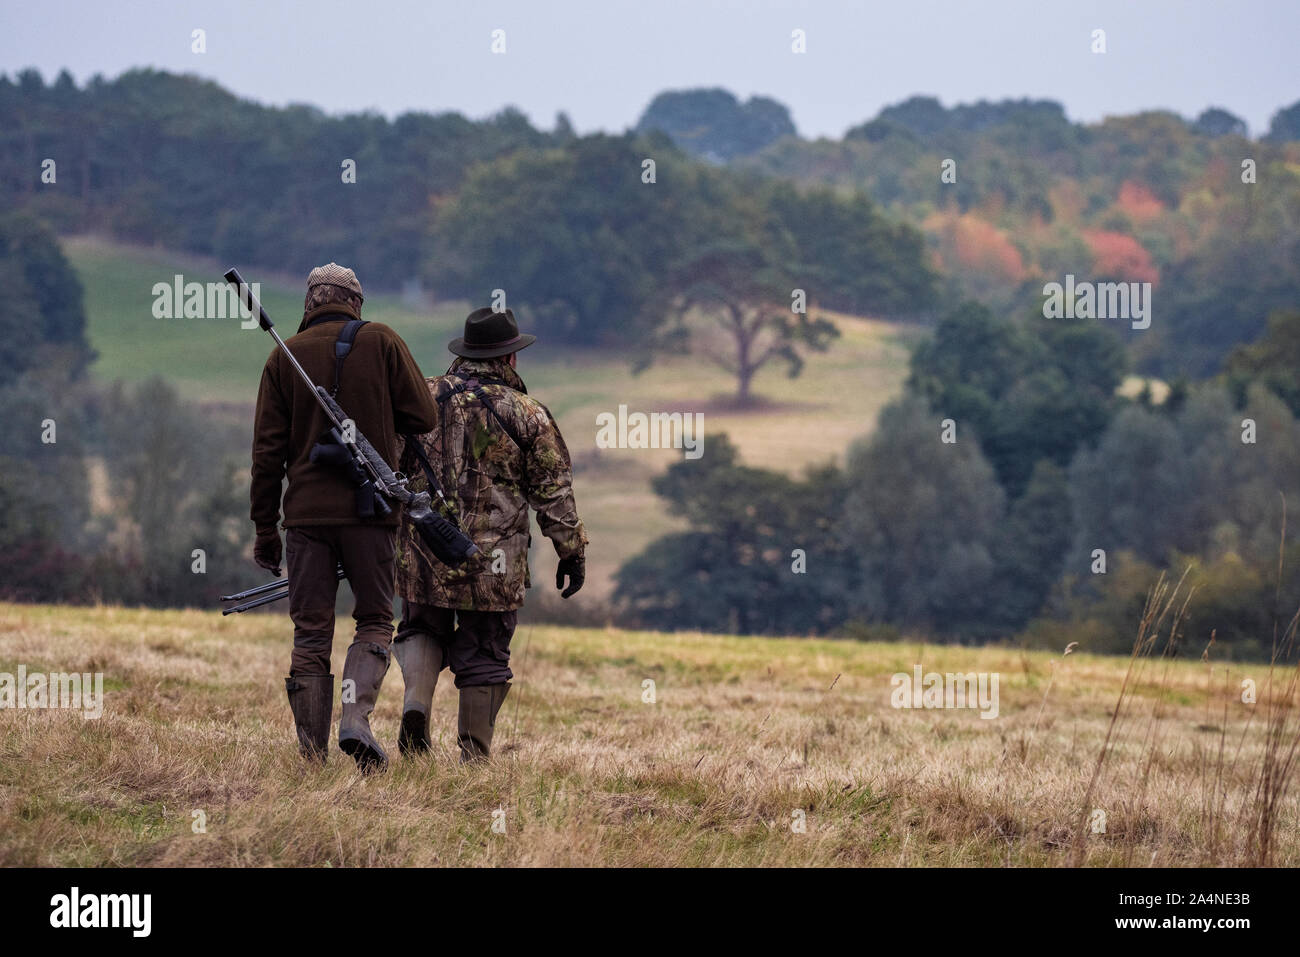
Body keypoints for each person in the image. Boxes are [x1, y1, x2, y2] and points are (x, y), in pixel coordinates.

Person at [250, 263, 437, 771]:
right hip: (371, 515)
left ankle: (311, 758)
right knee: (374, 620)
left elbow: (267, 455)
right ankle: (354, 720)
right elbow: (425, 415)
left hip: (306, 519)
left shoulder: (282, 356)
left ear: (310, 304)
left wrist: (265, 529)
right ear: (356, 303)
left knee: (311, 631)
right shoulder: (382, 341)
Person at [392, 306, 587, 761]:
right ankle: (473, 756)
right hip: (493, 565)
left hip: (424, 552)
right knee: (485, 650)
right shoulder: (529, 415)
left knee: (421, 627)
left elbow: (390, 464)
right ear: (510, 358)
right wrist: (571, 552)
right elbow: (553, 493)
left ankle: (416, 705)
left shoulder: (421, 398)